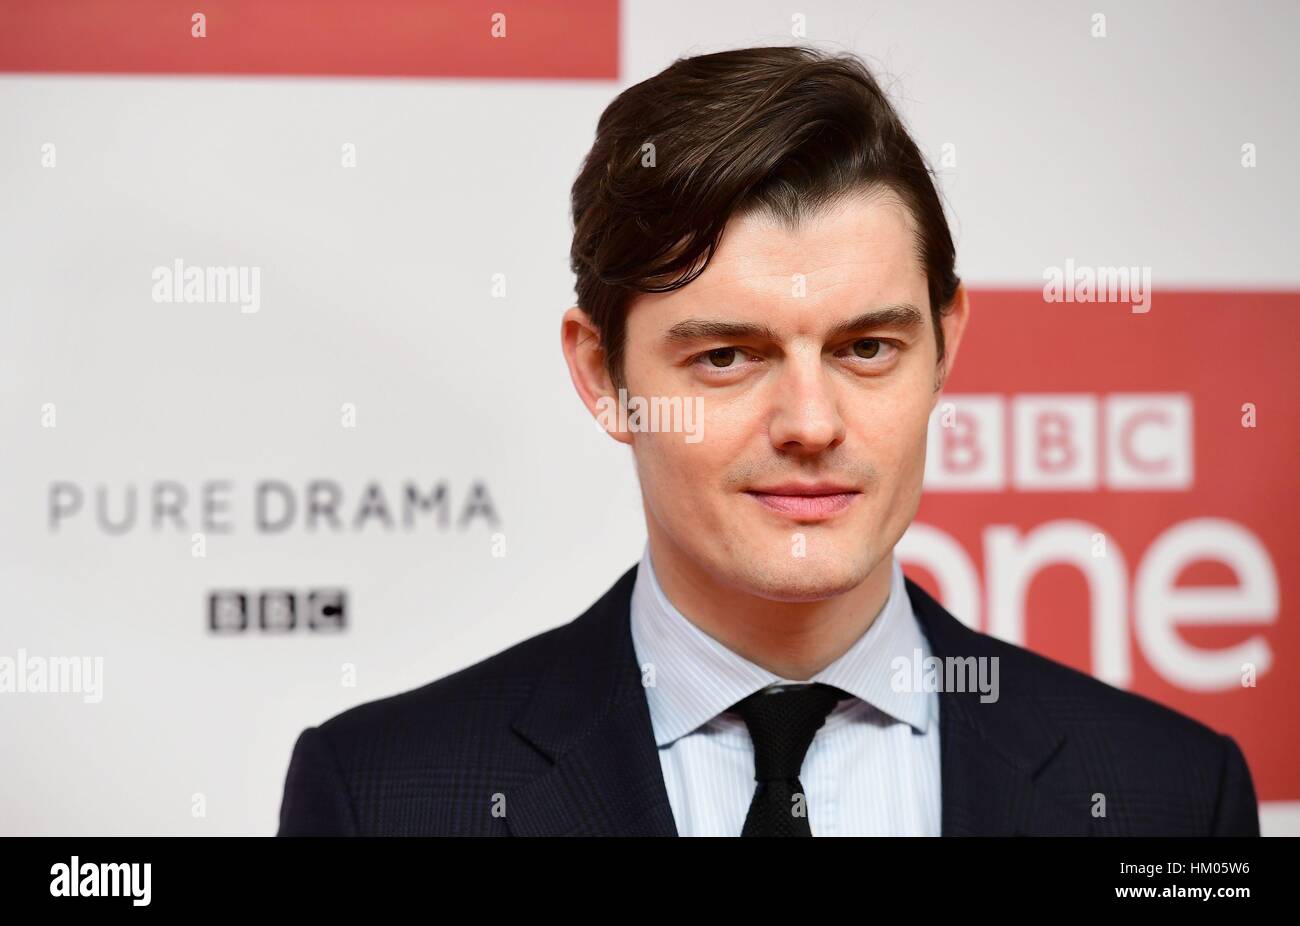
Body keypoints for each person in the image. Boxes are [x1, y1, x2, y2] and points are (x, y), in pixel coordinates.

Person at [277, 45, 1259, 836]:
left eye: (866, 346)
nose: (810, 424)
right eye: (727, 358)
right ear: (601, 374)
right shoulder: (387, 796)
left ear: (945, 346)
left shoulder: (1167, 795)